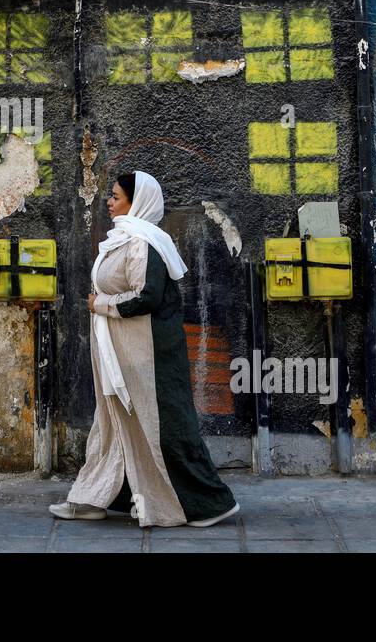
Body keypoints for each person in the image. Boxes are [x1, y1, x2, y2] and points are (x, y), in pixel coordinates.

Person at [50, 171, 240, 528]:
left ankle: (207, 504)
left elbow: (147, 297)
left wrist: (101, 304)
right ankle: (96, 497)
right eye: (111, 195)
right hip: (121, 353)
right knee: (115, 424)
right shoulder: (124, 239)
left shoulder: (144, 243)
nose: (109, 201)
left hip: (147, 354)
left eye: (116, 196)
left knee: (163, 427)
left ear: (137, 203)